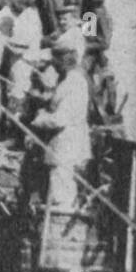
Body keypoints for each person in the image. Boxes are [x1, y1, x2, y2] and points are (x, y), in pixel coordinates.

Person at [31, 37, 91, 211]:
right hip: (64, 145)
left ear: (63, 60)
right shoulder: (67, 80)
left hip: (66, 147)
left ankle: (57, 235)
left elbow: (60, 118)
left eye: (55, 62)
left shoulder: (74, 82)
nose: (53, 66)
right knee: (60, 191)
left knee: (61, 196)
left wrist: (39, 119)